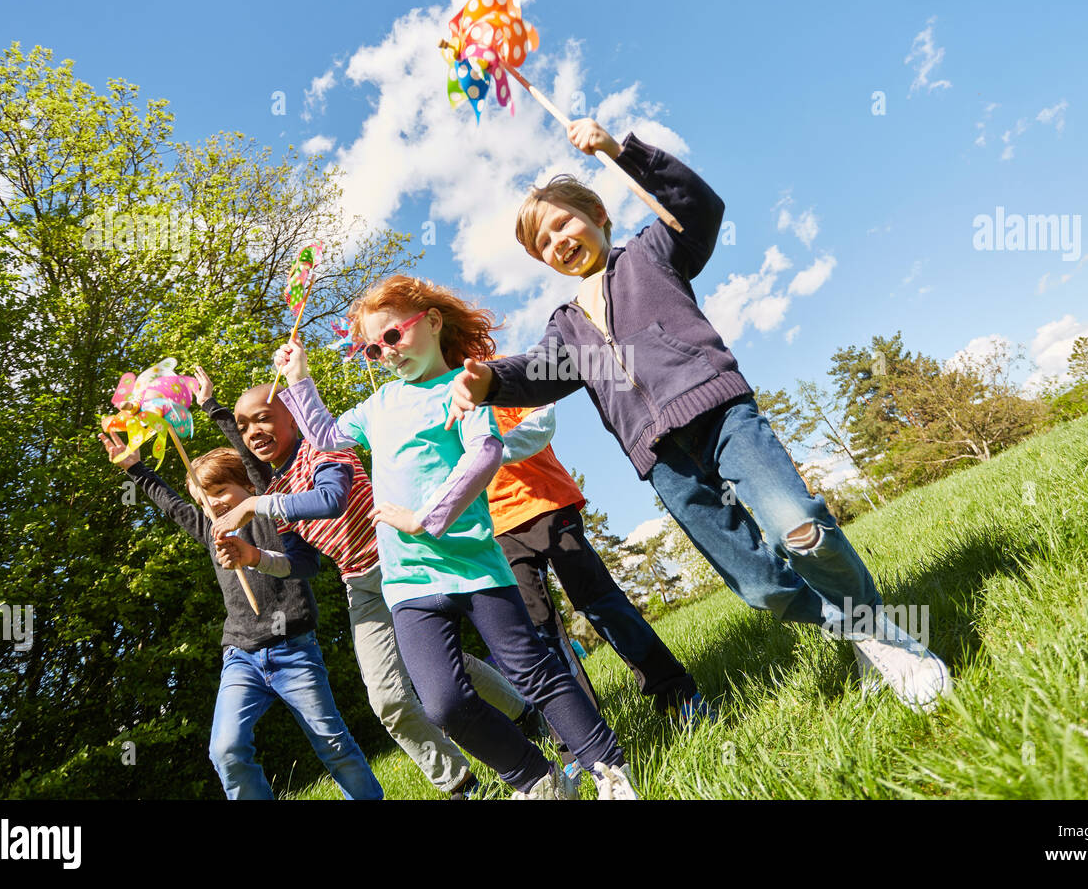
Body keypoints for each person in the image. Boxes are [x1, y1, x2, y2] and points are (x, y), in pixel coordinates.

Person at [446, 118, 952, 712]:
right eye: (543, 242)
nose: (557, 240)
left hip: (718, 412)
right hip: (662, 461)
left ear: (600, 217)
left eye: (564, 222)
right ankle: (851, 627)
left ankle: (883, 635)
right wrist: (488, 381)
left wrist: (621, 150)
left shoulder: (651, 253)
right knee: (762, 588)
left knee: (801, 530)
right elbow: (537, 373)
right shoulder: (565, 326)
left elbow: (699, 204)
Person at [269, 276, 639, 798]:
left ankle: (609, 769)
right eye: (373, 350)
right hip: (407, 582)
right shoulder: (379, 407)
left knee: (532, 670)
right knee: (443, 702)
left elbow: (485, 451)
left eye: (392, 337)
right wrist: (299, 381)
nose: (385, 354)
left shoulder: (463, 386)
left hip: (473, 564)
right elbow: (328, 439)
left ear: (433, 321)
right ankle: (537, 779)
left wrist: (429, 517)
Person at [195, 367, 531, 799]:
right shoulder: (277, 489)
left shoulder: (324, 449)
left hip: (402, 564)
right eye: (242, 426)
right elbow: (304, 564)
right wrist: (256, 557)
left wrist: (259, 504)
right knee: (389, 698)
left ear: (293, 417)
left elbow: (330, 500)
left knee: (439, 667)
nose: (253, 431)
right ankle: (461, 782)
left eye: (263, 417)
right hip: (361, 585)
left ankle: (524, 715)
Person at [97, 432, 382, 800]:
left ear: (249, 484)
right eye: (202, 500)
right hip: (241, 657)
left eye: (219, 493)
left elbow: (253, 463)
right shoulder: (211, 531)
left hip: (293, 649)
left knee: (332, 742)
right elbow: (171, 504)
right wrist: (135, 468)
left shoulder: (273, 515)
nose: (212, 505)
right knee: (225, 749)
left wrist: (213, 408)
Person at [491, 401, 708, 736]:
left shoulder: (501, 372)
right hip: (494, 528)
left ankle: (677, 694)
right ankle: (582, 738)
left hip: (544, 501)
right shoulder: (433, 399)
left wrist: (489, 452)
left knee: (600, 602)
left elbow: (541, 421)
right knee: (540, 632)